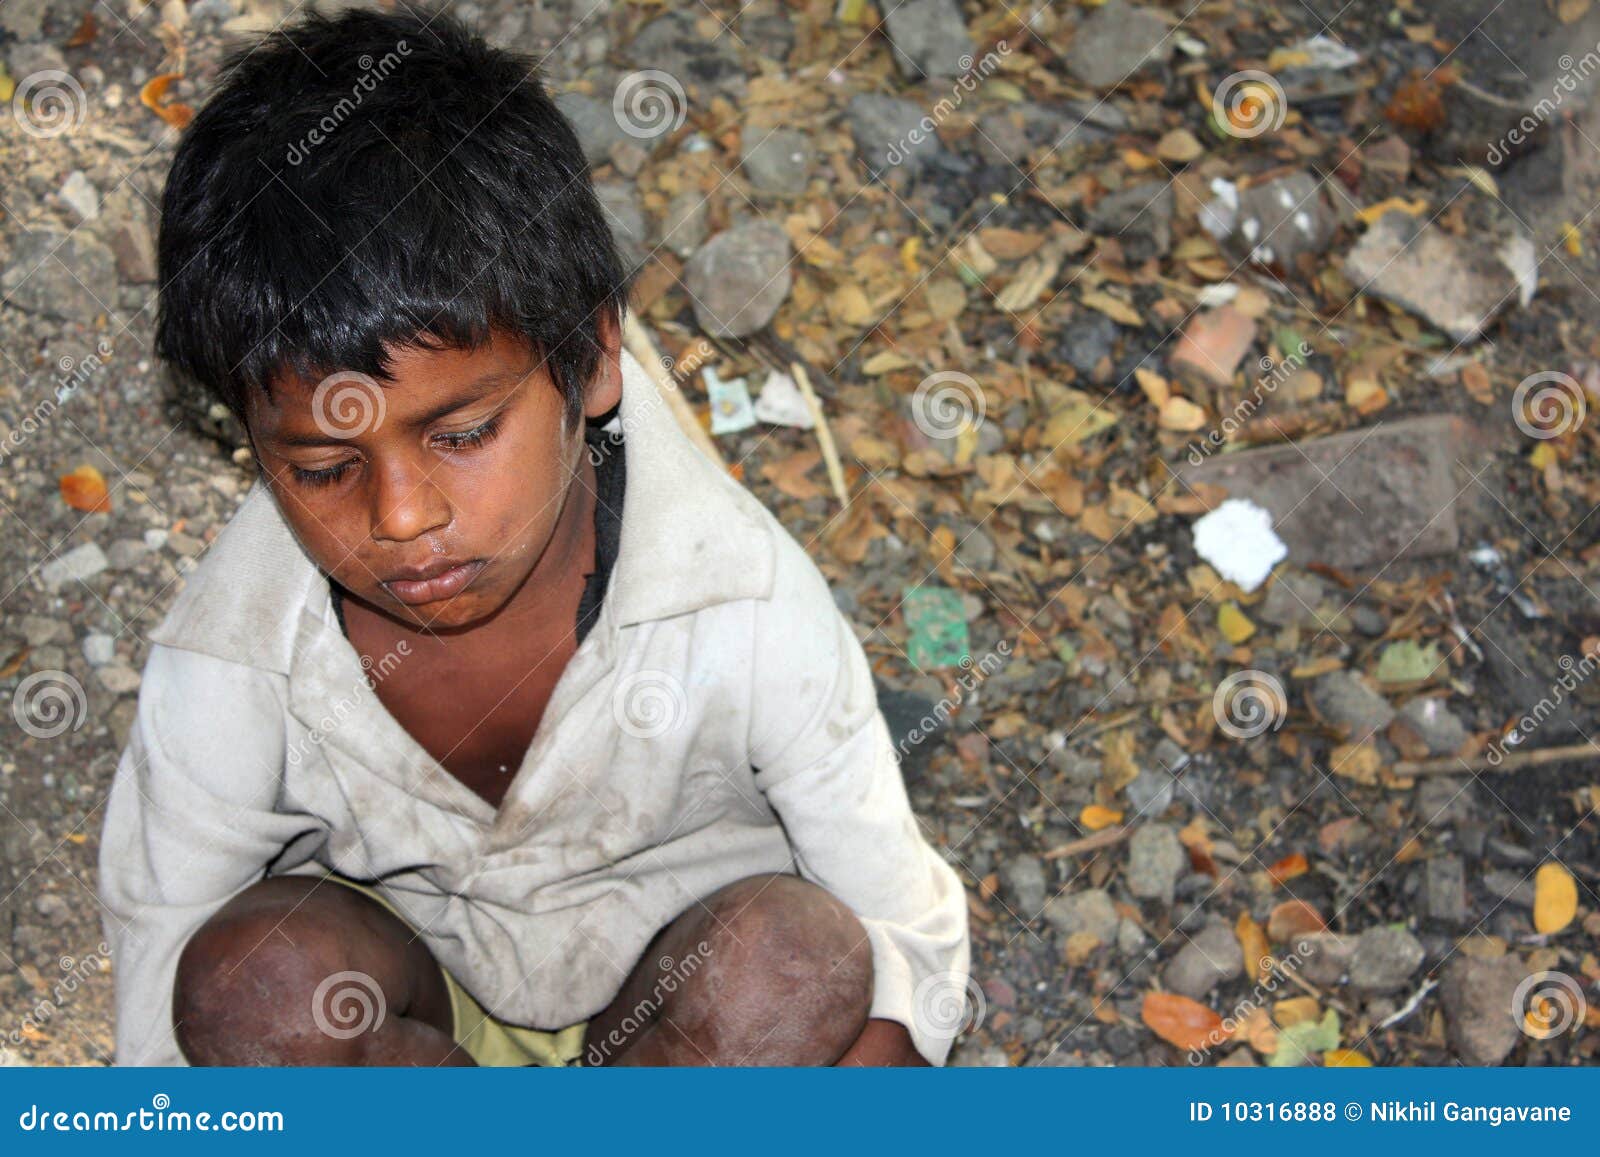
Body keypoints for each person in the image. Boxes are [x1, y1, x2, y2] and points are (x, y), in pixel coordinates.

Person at [97, 4, 969, 1067]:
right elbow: (157, 996)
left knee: (793, 958)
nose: (403, 516)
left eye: (462, 431)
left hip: (681, 1023)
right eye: (323, 466)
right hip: (420, 1022)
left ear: (595, 355)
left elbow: (907, 941)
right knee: (255, 982)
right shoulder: (229, 661)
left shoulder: (739, 599)